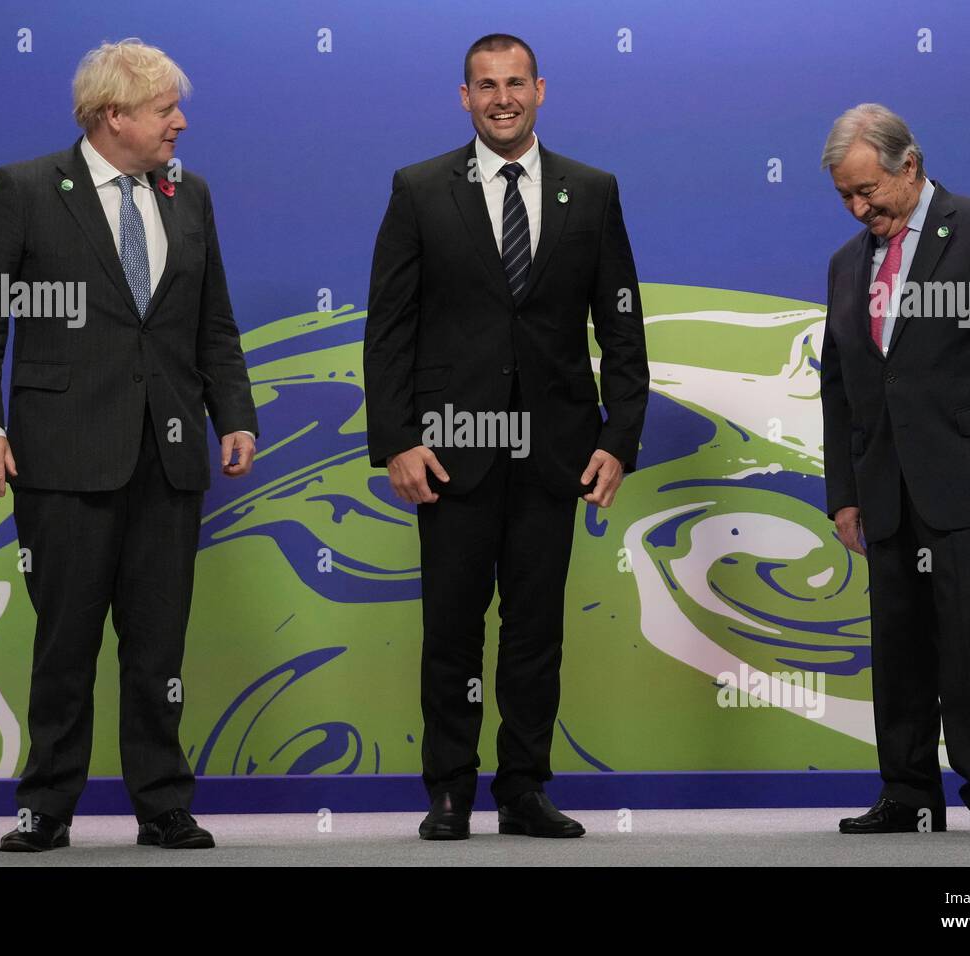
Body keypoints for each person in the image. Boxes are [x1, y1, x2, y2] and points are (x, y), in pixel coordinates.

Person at [0, 38, 257, 851]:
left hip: (169, 454)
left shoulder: (189, 195)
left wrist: (237, 414)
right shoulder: (24, 190)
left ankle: (162, 803)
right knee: (66, 643)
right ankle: (46, 806)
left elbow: (212, 322)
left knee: (160, 645)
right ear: (113, 115)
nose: (180, 123)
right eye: (165, 110)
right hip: (63, 455)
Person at [364, 33, 648, 840]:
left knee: (535, 629)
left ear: (541, 90)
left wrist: (618, 438)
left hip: (553, 452)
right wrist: (397, 442)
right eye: (485, 85)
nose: (502, 97)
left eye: (515, 82)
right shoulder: (418, 189)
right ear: (464, 98)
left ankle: (523, 788)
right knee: (451, 627)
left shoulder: (592, 192)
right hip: (451, 450)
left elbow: (621, 327)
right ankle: (449, 791)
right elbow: (388, 329)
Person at [819, 103, 970, 836]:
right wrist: (845, 494)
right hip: (886, 487)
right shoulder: (844, 264)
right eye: (846, 197)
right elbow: (841, 385)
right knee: (898, 648)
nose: (860, 209)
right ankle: (907, 790)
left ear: (909, 166)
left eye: (869, 192)